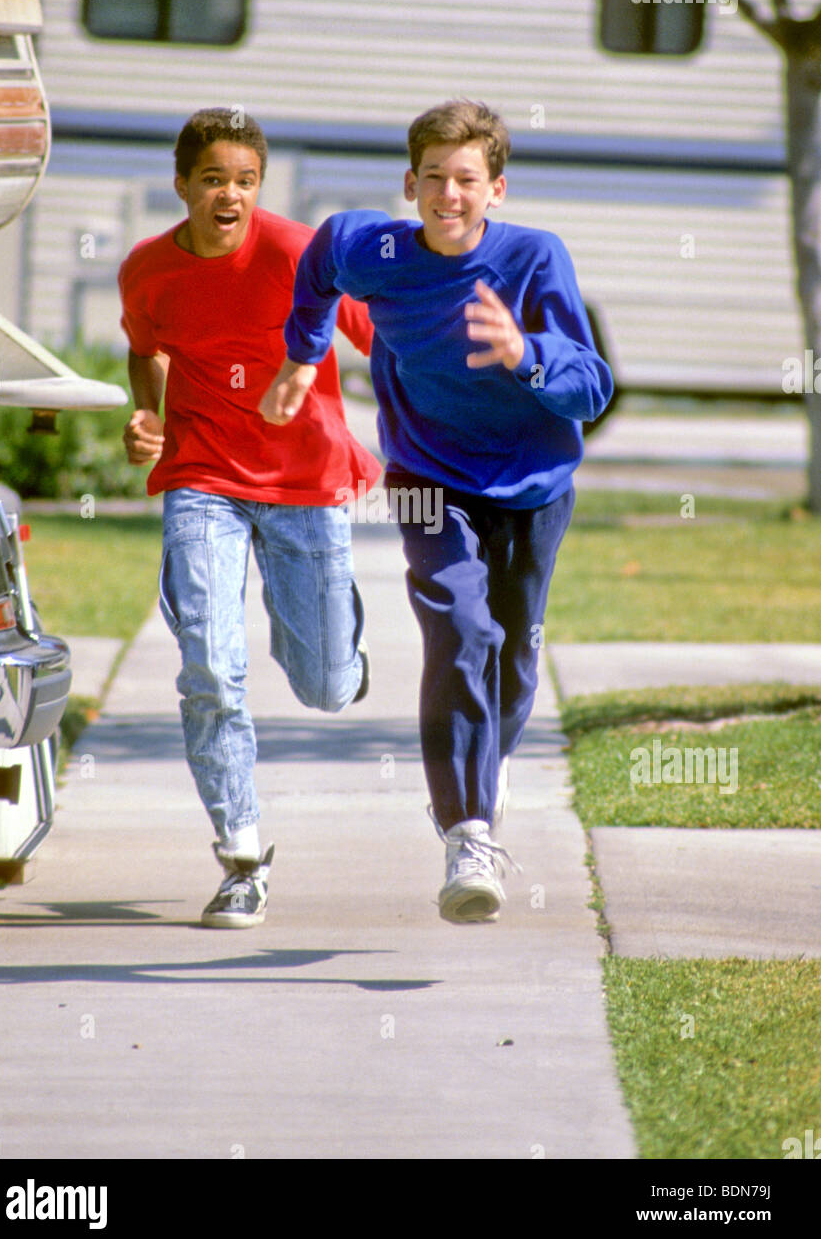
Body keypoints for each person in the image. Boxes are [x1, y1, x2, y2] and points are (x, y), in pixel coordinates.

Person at [259, 99, 613, 924]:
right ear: (409, 183)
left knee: (513, 660)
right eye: (433, 179)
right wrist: (302, 360)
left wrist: (527, 356)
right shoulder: (371, 247)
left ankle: (481, 773)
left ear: (495, 188)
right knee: (459, 629)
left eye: (466, 180)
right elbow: (317, 268)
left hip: (532, 481)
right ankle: (466, 831)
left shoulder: (533, 258)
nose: (448, 196)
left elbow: (592, 387)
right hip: (424, 473)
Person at [119, 107, 381, 929]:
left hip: (303, 480)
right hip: (203, 477)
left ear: (258, 187)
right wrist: (148, 413)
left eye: (244, 181)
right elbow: (146, 345)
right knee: (208, 663)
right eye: (211, 180)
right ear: (182, 186)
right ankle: (241, 858)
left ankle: (339, 650)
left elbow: (383, 338)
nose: (228, 195)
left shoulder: (302, 254)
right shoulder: (148, 270)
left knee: (325, 686)